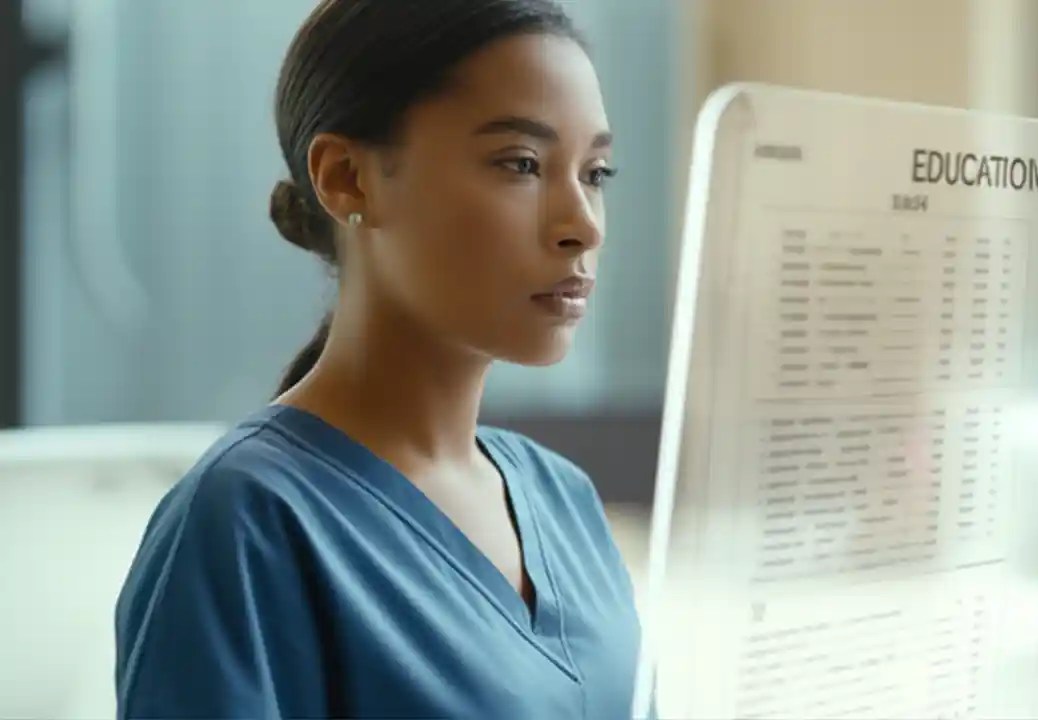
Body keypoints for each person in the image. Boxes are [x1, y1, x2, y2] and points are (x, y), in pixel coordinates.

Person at [113, 1, 653, 717]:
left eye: (596, 174)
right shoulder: (244, 522)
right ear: (347, 179)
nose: (582, 225)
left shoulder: (565, 502)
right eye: (520, 164)